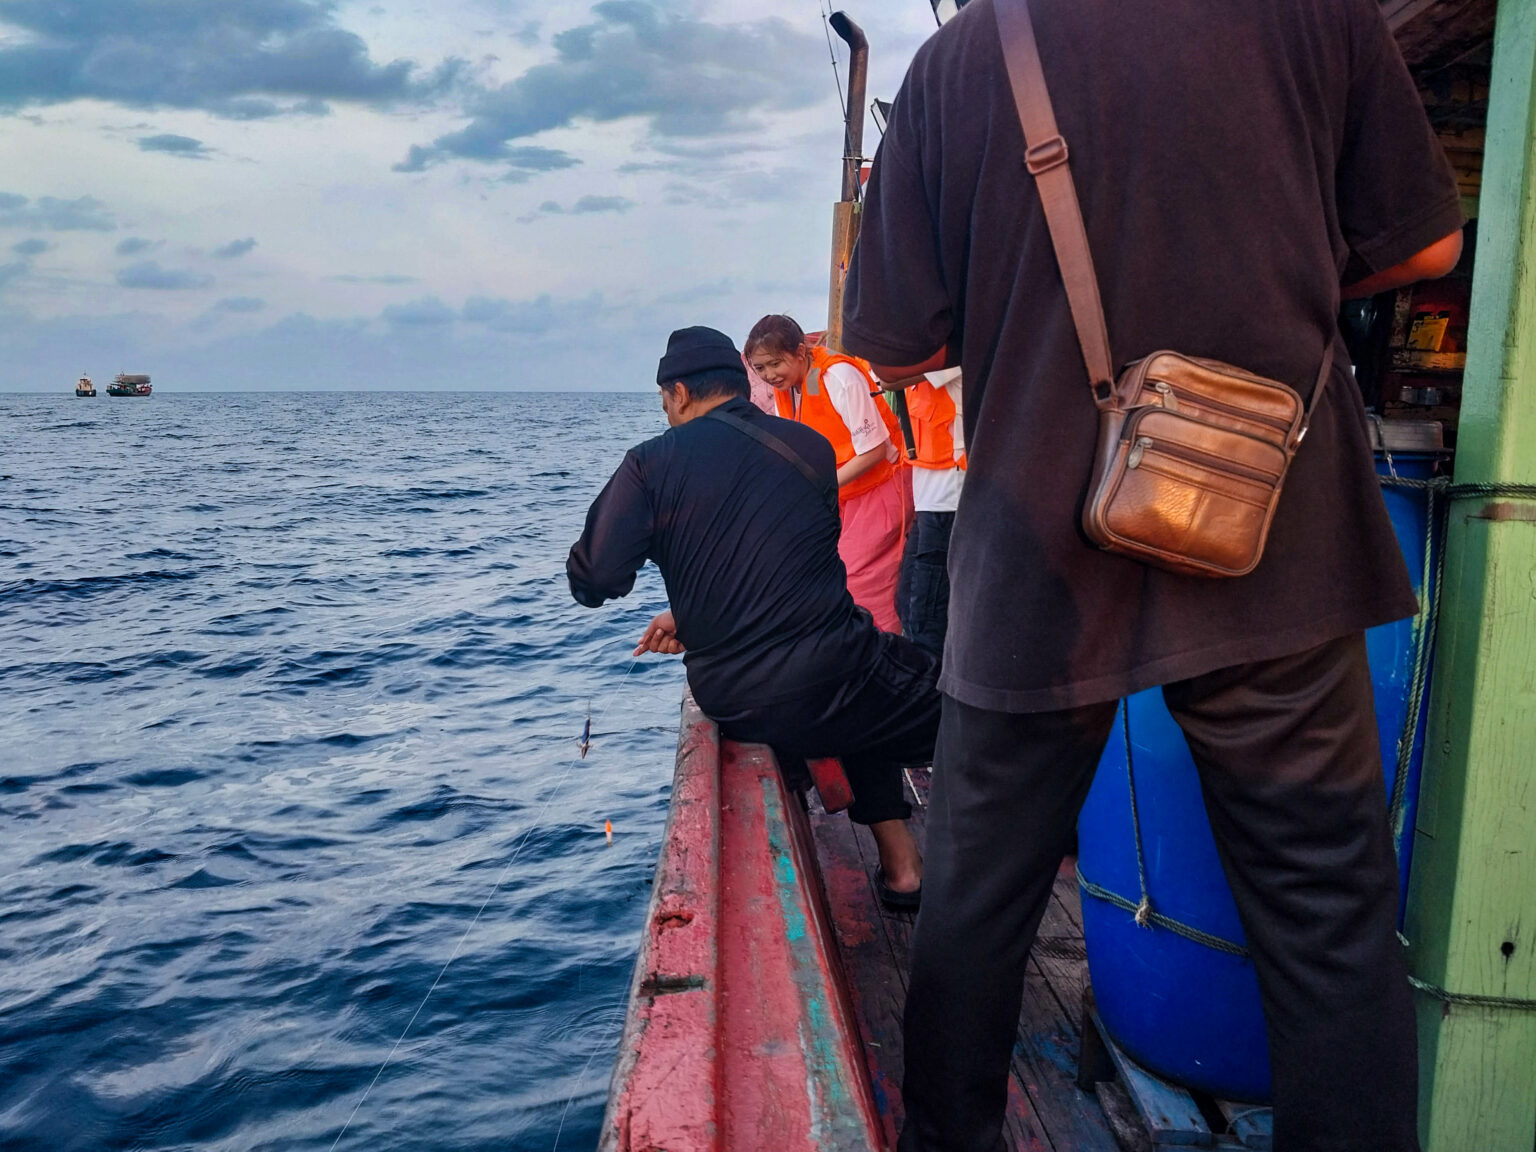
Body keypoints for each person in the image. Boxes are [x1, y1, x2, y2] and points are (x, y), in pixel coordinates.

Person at [840, 1, 1465, 1149]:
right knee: (1329, 921)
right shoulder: (1316, 18)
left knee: (974, 906)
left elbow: (898, 341)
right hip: (1272, 524)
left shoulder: (962, 58)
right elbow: (1425, 244)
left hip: (1037, 547)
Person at [566, 325, 940, 906]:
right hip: (838, 670)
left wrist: (688, 612)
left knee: (856, 686)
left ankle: (903, 870)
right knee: (947, 698)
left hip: (734, 698)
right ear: (741, 384)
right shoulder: (809, 448)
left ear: (679, 393)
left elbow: (592, 582)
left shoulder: (647, 465)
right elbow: (788, 565)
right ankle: (928, 862)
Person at [744, 314, 910, 633]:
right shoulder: (790, 389)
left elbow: (875, 450)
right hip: (841, 498)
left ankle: (887, 658)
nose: (769, 375)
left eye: (775, 364)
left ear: (800, 352)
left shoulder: (840, 377)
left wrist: (820, 485)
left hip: (880, 490)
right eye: (761, 369)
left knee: (863, 584)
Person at [891, 367, 964, 660]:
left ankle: (935, 700)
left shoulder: (948, 354)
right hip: (929, 499)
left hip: (950, 501)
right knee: (907, 605)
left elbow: (888, 374)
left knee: (927, 620)